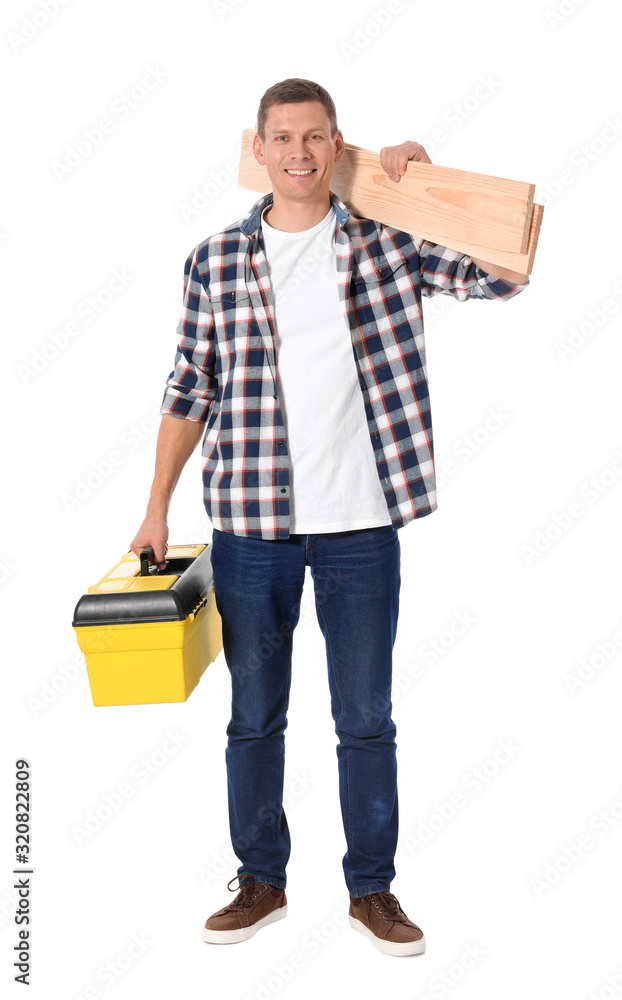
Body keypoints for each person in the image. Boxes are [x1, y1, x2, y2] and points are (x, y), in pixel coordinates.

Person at [130, 77, 530, 957]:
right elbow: (187, 387)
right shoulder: (214, 261)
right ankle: (261, 881)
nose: (301, 154)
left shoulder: (387, 241)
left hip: (361, 526)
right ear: (260, 148)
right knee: (254, 715)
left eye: (317, 137)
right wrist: (156, 506)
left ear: (337, 144)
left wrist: (427, 188)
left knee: (364, 716)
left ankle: (372, 890)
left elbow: (503, 272)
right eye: (284, 138)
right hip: (249, 528)